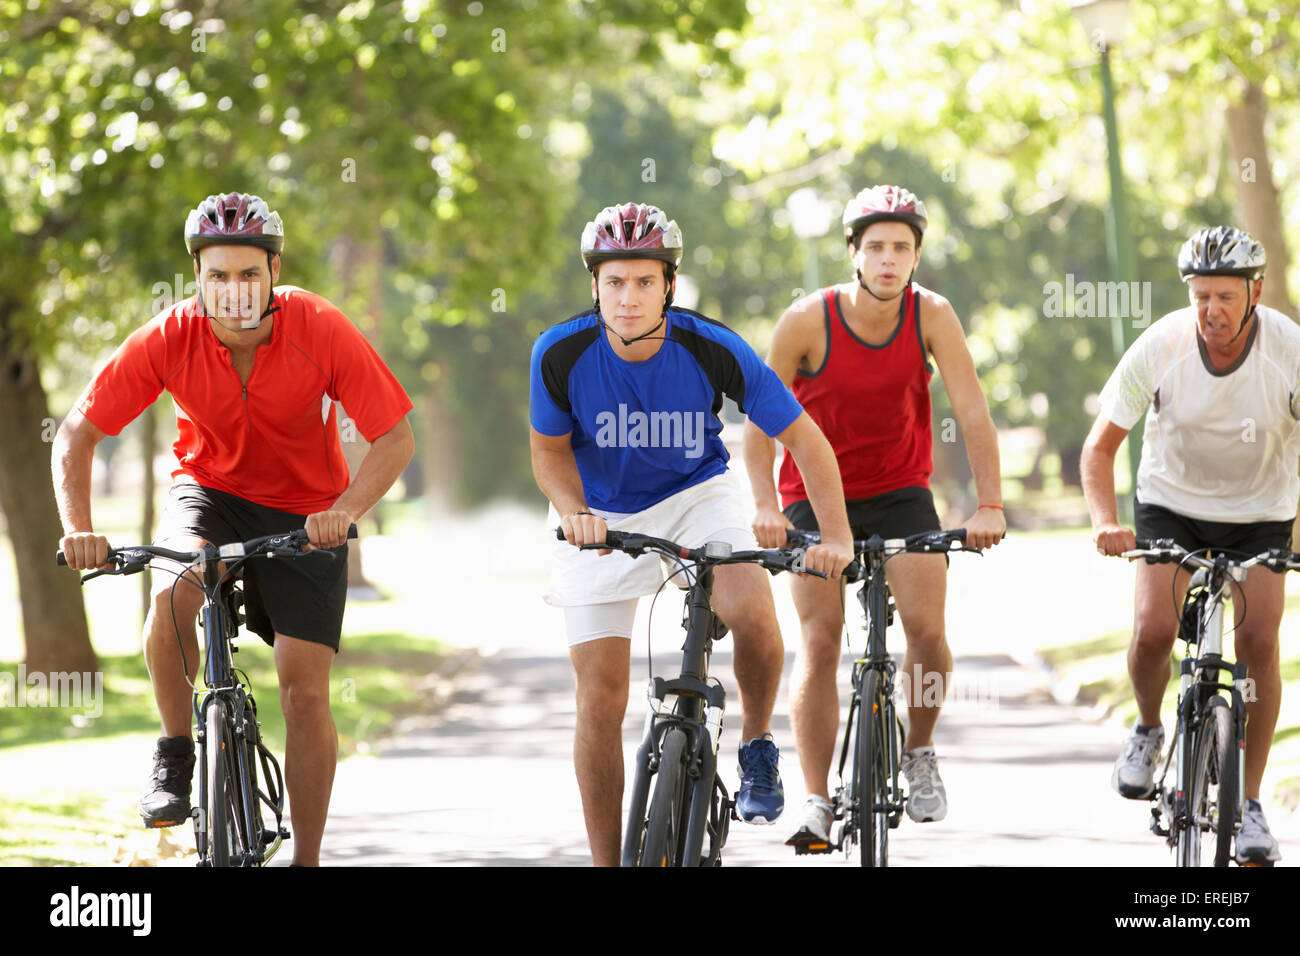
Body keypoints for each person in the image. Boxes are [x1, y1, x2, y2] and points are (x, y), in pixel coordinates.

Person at [53, 192, 414, 866]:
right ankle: (174, 750)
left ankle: (306, 860)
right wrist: (80, 527)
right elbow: (76, 434)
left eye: (249, 275)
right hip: (209, 491)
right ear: (197, 277)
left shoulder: (321, 328)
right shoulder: (170, 335)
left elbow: (393, 436)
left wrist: (346, 512)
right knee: (173, 592)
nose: (234, 292)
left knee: (305, 691)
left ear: (275, 273)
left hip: (309, 512)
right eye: (218, 276)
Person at [529, 201, 854, 865]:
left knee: (753, 616)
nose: (628, 298)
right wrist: (571, 510)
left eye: (644, 282)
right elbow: (548, 450)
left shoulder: (711, 345)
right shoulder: (559, 352)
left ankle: (758, 741)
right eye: (615, 282)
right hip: (599, 512)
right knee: (599, 698)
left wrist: (838, 536)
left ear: (669, 286)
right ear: (594, 285)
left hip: (696, 495)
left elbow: (805, 438)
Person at [743, 185, 1005, 851]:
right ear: (854, 252)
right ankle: (816, 801)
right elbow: (757, 422)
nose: (889, 259)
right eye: (877, 246)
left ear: (916, 256)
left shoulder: (931, 316)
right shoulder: (806, 320)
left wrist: (990, 503)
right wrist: (767, 507)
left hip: (900, 491)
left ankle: (919, 751)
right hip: (811, 496)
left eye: (903, 247)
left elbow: (972, 411)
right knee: (822, 636)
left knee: (925, 628)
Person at [1083, 225, 1295, 865]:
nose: (1211, 311)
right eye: (1201, 295)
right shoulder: (1163, 345)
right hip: (1171, 506)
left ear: (1255, 291)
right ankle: (1148, 728)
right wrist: (1103, 521)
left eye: (1226, 296)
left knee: (1259, 646)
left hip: (1260, 513)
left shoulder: (1287, 349)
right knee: (1152, 628)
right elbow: (1099, 449)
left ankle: (1251, 804)